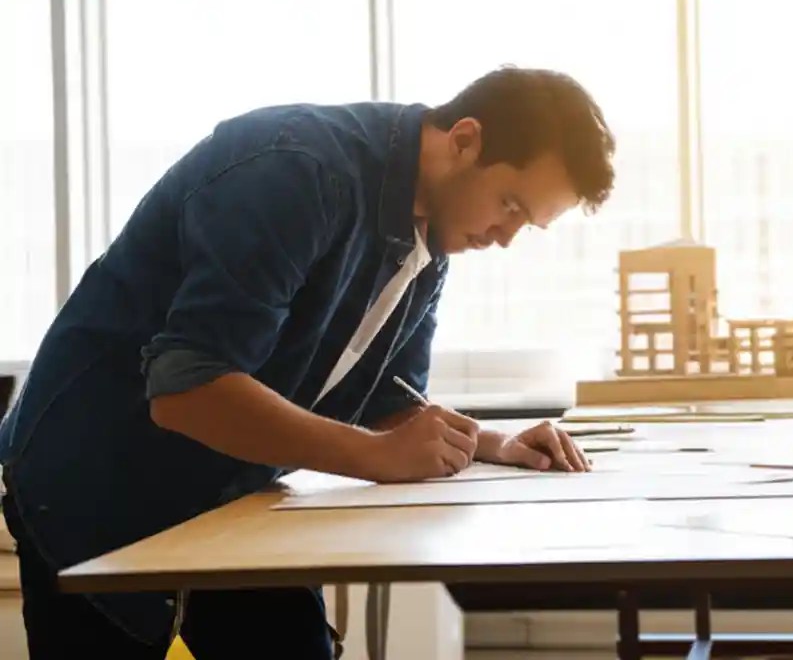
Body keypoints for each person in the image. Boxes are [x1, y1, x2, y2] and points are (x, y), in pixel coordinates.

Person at [0, 66, 614, 658]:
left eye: (526, 225)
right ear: (464, 139)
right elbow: (188, 388)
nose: (506, 236)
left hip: (228, 492)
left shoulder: (432, 237)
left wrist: (492, 444)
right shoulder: (298, 171)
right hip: (92, 479)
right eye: (509, 204)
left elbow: (388, 403)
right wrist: (374, 458)